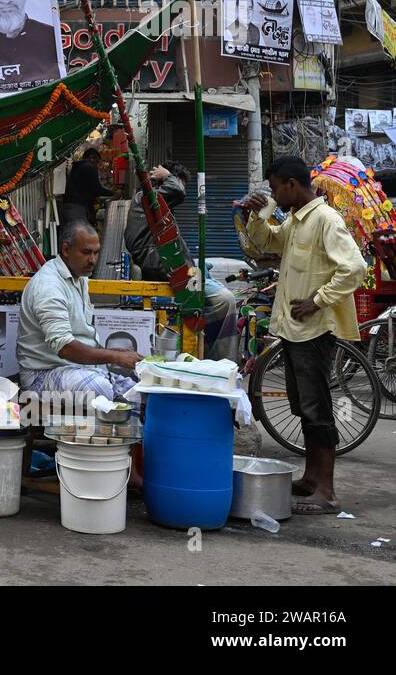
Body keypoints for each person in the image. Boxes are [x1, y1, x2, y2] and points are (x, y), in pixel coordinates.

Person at [245, 156, 366, 516]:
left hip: (314, 331)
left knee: (316, 410)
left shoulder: (325, 220)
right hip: (294, 332)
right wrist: (258, 214)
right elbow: (267, 242)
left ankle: (326, 491)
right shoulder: (297, 221)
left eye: (274, 188)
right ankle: (311, 479)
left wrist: (317, 300)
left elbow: (355, 268)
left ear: (292, 185)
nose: (273, 194)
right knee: (304, 407)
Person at [17, 220, 144, 485]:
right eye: (87, 252)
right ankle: (102, 471)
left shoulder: (79, 278)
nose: (93, 259)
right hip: (41, 376)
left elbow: (81, 337)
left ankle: (128, 466)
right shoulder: (49, 286)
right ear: (65, 249)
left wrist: (113, 355)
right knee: (100, 389)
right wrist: (114, 356)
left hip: (74, 369)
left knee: (141, 391)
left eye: (96, 253)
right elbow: (65, 347)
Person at [123, 162, 237, 356]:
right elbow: (178, 191)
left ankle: (206, 352)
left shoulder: (158, 210)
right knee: (225, 300)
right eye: (174, 181)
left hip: (176, 269)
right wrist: (167, 176)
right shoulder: (147, 199)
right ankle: (220, 361)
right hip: (169, 271)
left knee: (220, 290)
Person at [61, 147, 113, 223]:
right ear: (91, 158)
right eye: (96, 162)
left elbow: (89, 188)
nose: (96, 165)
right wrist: (113, 193)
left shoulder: (79, 166)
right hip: (77, 206)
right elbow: (97, 189)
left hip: (70, 205)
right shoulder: (88, 167)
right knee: (79, 230)